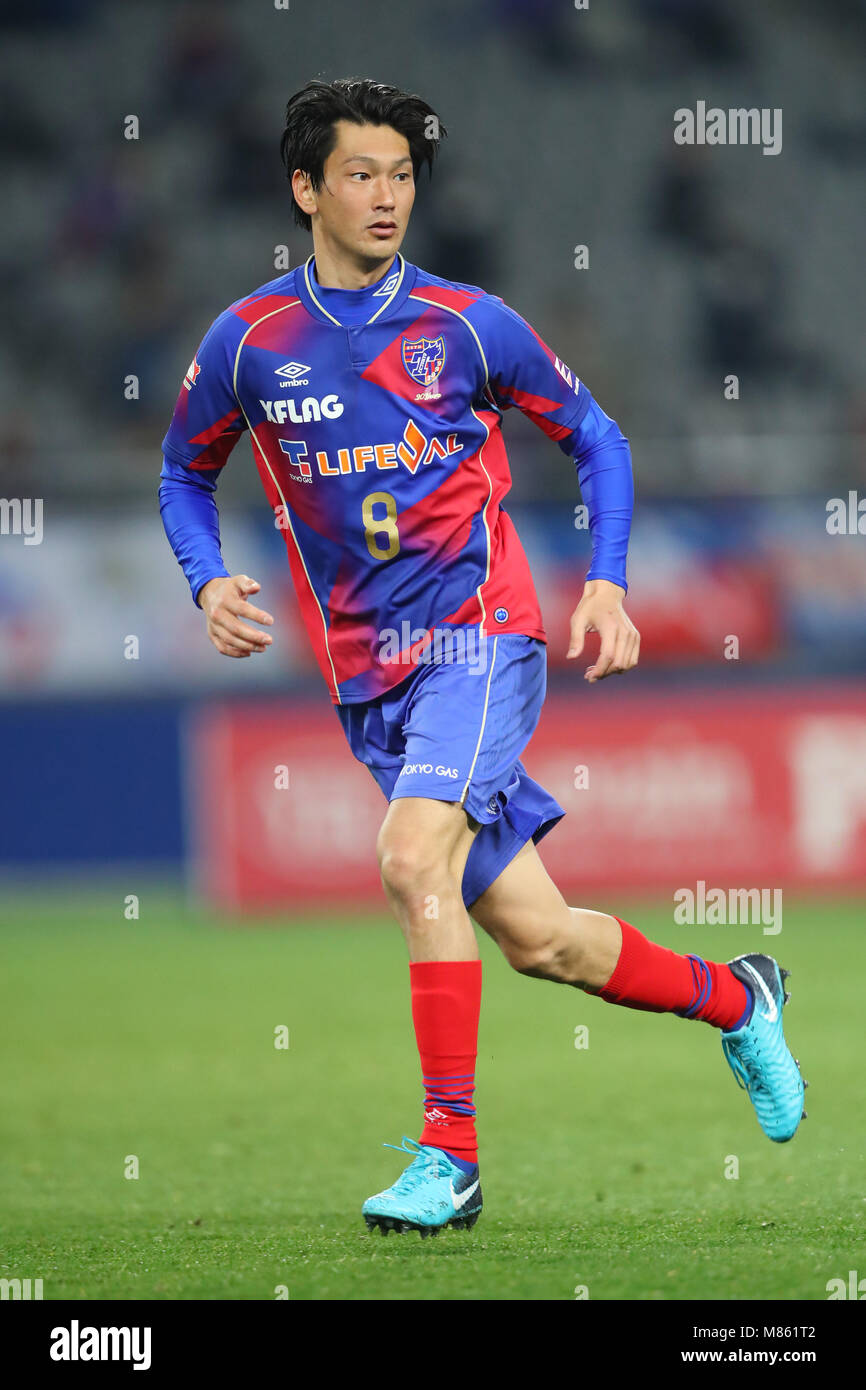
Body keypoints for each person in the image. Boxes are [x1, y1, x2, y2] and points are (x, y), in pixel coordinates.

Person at [159, 78, 806, 1238]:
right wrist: (208, 578)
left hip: (479, 637)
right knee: (539, 938)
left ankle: (446, 1156)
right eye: (360, 173)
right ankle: (737, 996)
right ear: (305, 189)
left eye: (402, 174)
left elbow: (594, 434)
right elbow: (181, 472)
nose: (386, 195)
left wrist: (601, 578)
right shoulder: (247, 342)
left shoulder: (465, 324)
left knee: (412, 861)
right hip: (370, 682)